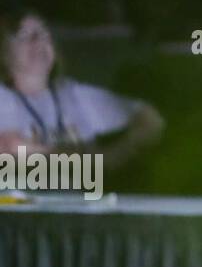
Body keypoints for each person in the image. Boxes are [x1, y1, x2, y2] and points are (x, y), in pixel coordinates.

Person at [0, 10, 164, 171]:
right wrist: (100, 159)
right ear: (4, 53)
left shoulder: (74, 94)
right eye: (24, 36)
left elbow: (147, 115)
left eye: (43, 33)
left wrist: (128, 146)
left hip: (80, 195)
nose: (38, 41)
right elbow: (11, 147)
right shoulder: (4, 96)